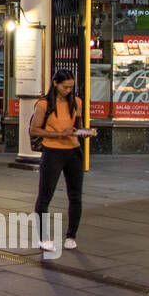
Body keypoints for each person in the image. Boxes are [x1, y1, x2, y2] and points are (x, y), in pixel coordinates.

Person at [30, 69, 97, 252]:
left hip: (74, 152)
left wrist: (85, 132)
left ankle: (71, 236)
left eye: (71, 87)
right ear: (55, 84)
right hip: (53, 152)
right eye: (65, 87)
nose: (68, 90)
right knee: (45, 195)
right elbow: (34, 130)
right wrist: (60, 134)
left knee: (75, 195)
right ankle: (43, 238)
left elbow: (78, 127)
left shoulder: (76, 102)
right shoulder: (44, 104)